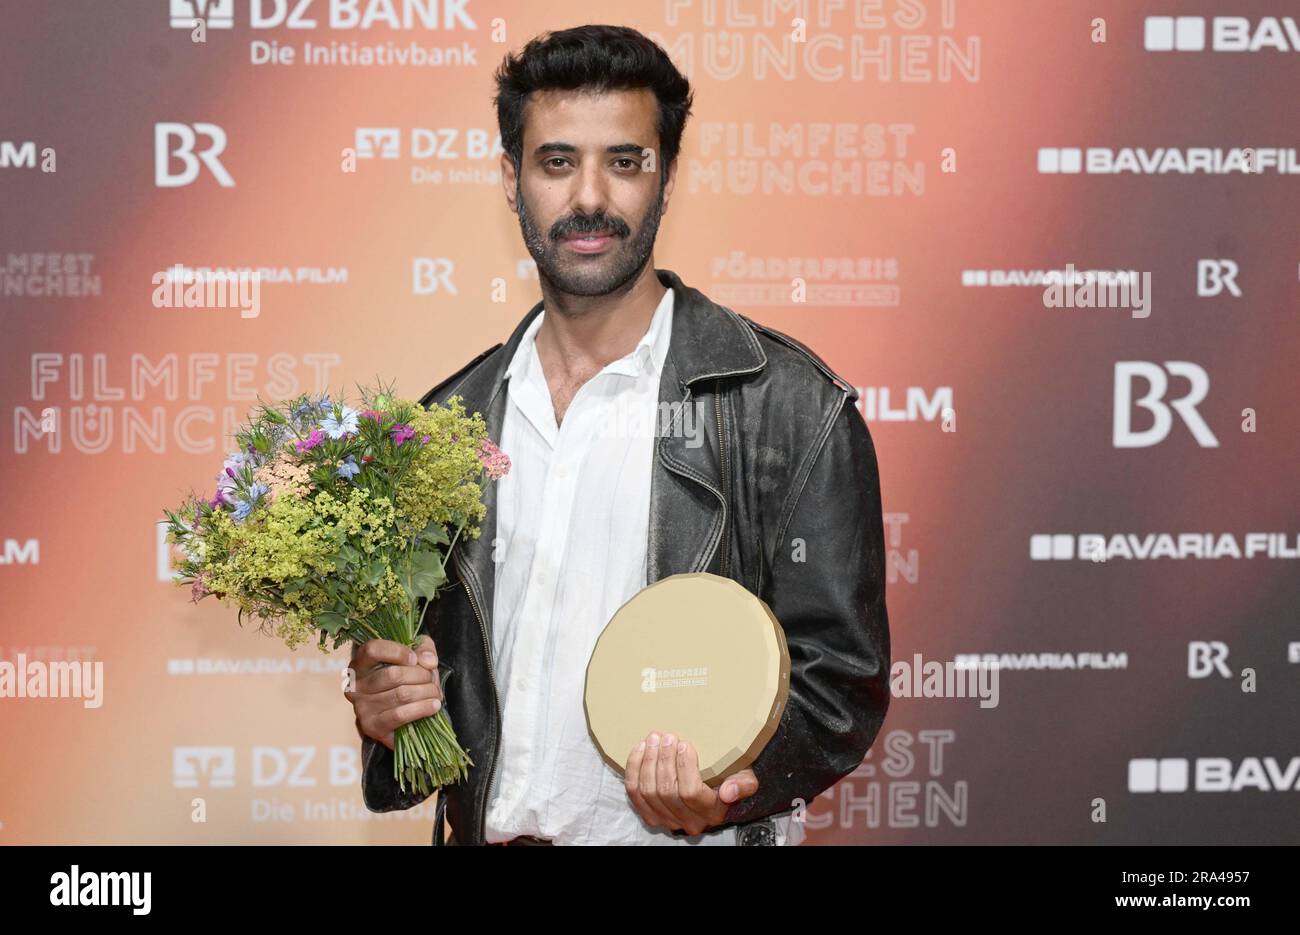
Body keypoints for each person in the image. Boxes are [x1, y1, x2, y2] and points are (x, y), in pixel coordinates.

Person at [345, 24, 890, 846]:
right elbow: (429, 685)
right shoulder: (446, 423)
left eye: (625, 161)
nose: (590, 197)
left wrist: (730, 784)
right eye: (557, 161)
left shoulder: (785, 406)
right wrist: (391, 715)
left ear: (667, 178)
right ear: (511, 177)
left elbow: (840, 683)